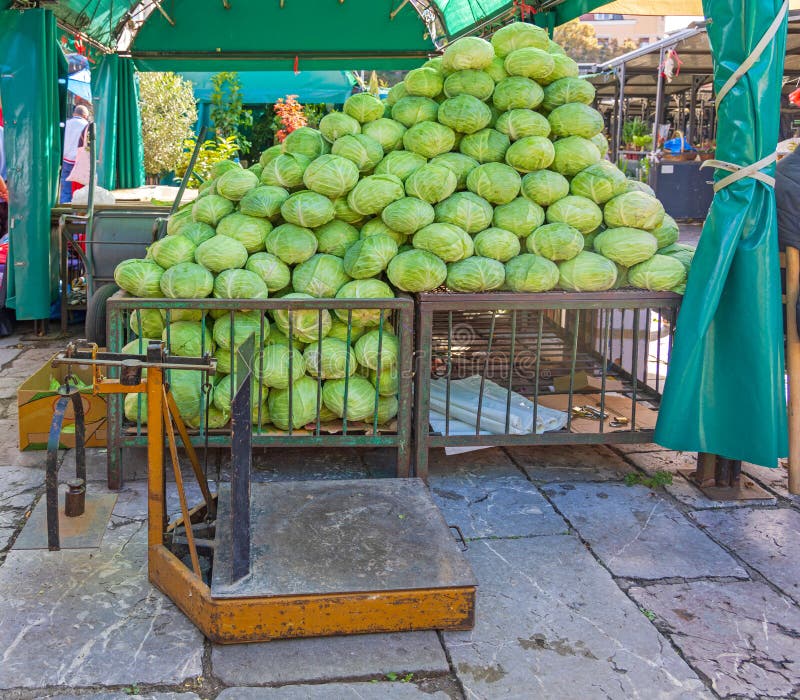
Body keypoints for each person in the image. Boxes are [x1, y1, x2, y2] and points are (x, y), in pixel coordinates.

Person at [60, 105, 89, 204]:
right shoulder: (86, 125)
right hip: (79, 161)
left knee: (65, 188)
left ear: (74, 113)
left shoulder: (66, 124)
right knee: (80, 189)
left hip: (65, 160)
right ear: (85, 115)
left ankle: (64, 209)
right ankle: (78, 212)